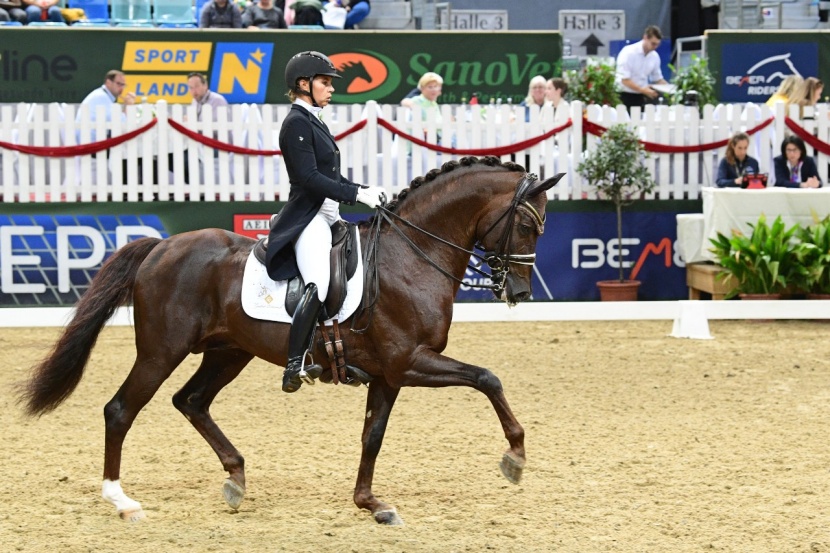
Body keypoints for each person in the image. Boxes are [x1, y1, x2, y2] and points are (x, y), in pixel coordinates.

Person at [265, 51, 385, 393]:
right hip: (308, 217)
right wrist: (356, 193)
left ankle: (346, 353)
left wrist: (359, 191)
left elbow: (328, 174)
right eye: (325, 82)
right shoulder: (296, 124)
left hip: (330, 214)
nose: (331, 89)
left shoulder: (314, 119)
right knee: (318, 280)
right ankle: (294, 363)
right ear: (304, 84)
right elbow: (309, 178)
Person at [615, 25, 669, 111]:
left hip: (641, 96)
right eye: (653, 43)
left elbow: (658, 79)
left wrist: (671, 89)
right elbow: (624, 80)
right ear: (645, 38)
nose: (655, 47)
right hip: (623, 95)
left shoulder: (654, 56)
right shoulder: (628, 52)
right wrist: (643, 90)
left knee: (640, 121)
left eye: (657, 44)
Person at [77, 70, 136, 142]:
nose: (121, 88)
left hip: (91, 142)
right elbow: (121, 124)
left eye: (123, 85)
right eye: (118, 84)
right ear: (108, 83)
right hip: (89, 145)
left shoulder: (102, 95)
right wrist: (128, 106)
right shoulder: (101, 97)